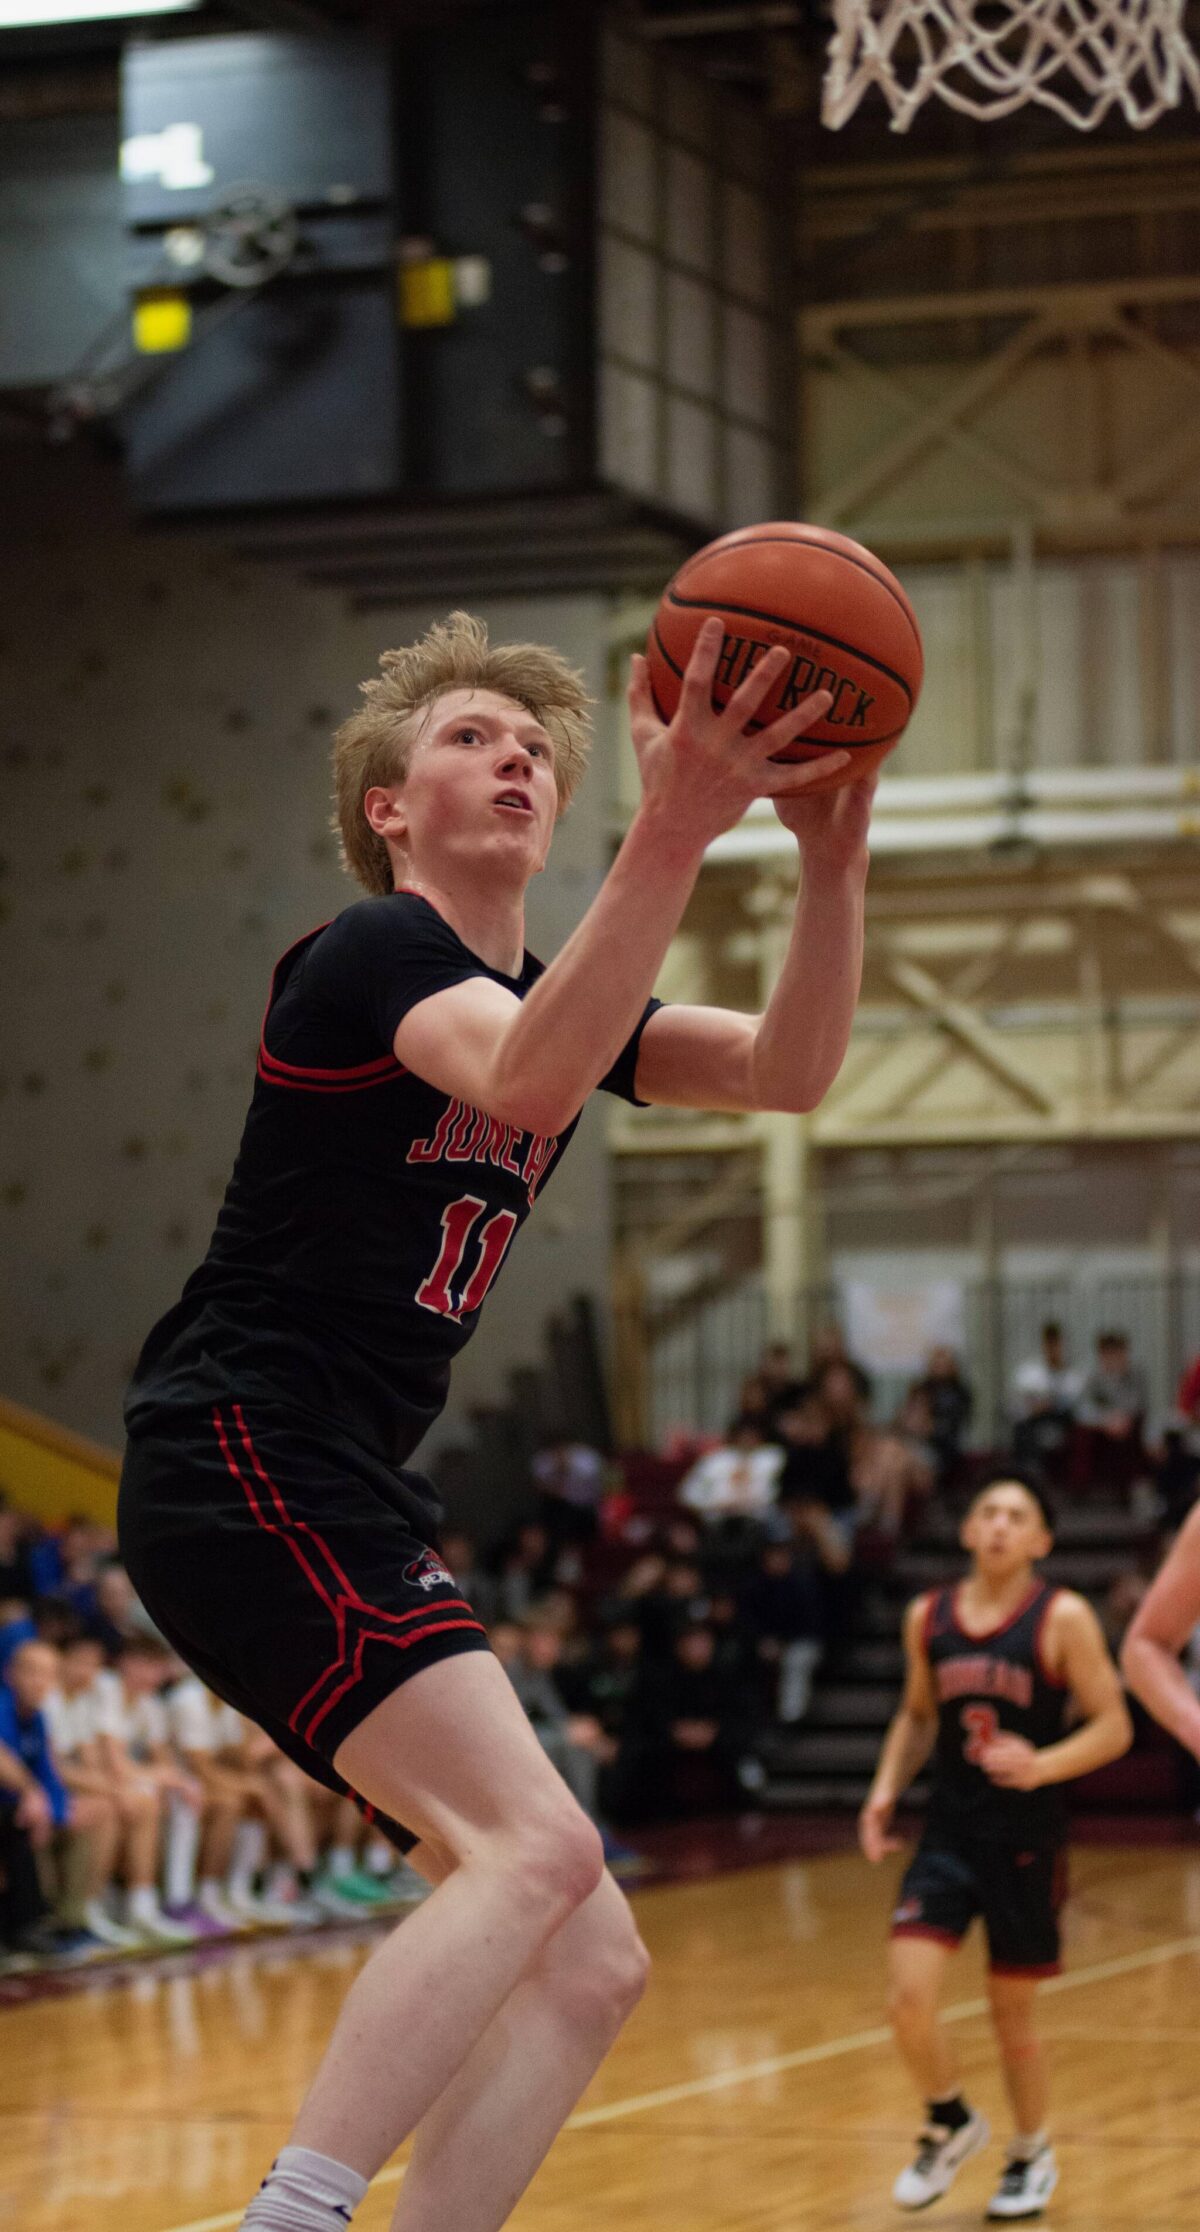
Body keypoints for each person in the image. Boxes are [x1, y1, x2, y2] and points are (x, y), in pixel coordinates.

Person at [117, 608, 871, 2232]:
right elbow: (524, 1078)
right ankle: (293, 2216)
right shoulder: (372, 952)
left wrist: (835, 849)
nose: (516, 753)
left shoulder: (547, 988)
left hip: (333, 1476)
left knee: (592, 1950)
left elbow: (792, 1070)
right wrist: (671, 826)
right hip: (242, 1445)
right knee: (532, 1850)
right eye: (469, 737)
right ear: (391, 808)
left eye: (533, 743)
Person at [859, 1468, 1130, 2220]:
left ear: (1042, 1540)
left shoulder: (1064, 1617)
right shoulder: (929, 1616)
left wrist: (1042, 1764)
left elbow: (1114, 1725)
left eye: (1018, 1515)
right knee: (906, 2000)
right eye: (989, 1512)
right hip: (947, 1833)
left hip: (1025, 1839)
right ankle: (949, 2121)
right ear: (969, 1530)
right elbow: (917, 1718)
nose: (1002, 1525)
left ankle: (1031, 2151)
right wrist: (885, 1790)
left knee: (1012, 2014)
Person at [1010, 1323, 1083, 1475]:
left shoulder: (1073, 1376)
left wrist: (1051, 1405)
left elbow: (1075, 1407)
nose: (1053, 1350)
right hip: (1032, 1423)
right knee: (1023, 1431)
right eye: (1049, 1344)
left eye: (1056, 1344)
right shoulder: (1029, 1373)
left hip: (1059, 1424)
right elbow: (1016, 1406)